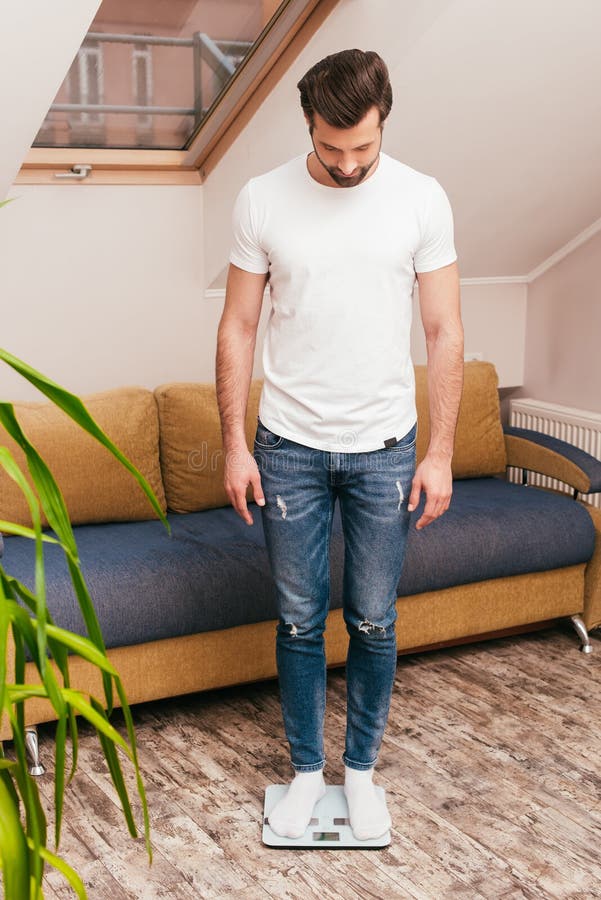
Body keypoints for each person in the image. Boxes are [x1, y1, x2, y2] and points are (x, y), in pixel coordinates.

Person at [216, 48, 464, 842]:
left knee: (373, 621)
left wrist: (440, 453)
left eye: (363, 146)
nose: (349, 163)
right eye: (331, 148)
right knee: (297, 621)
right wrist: (233, 445)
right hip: (286, 447)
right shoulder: (261, 199)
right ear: (307, 123)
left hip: (385, 449)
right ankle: (302, 773)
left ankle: (357, 773)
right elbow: (238, 325)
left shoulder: (421, 199)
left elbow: (443, 330)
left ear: (383, 120)